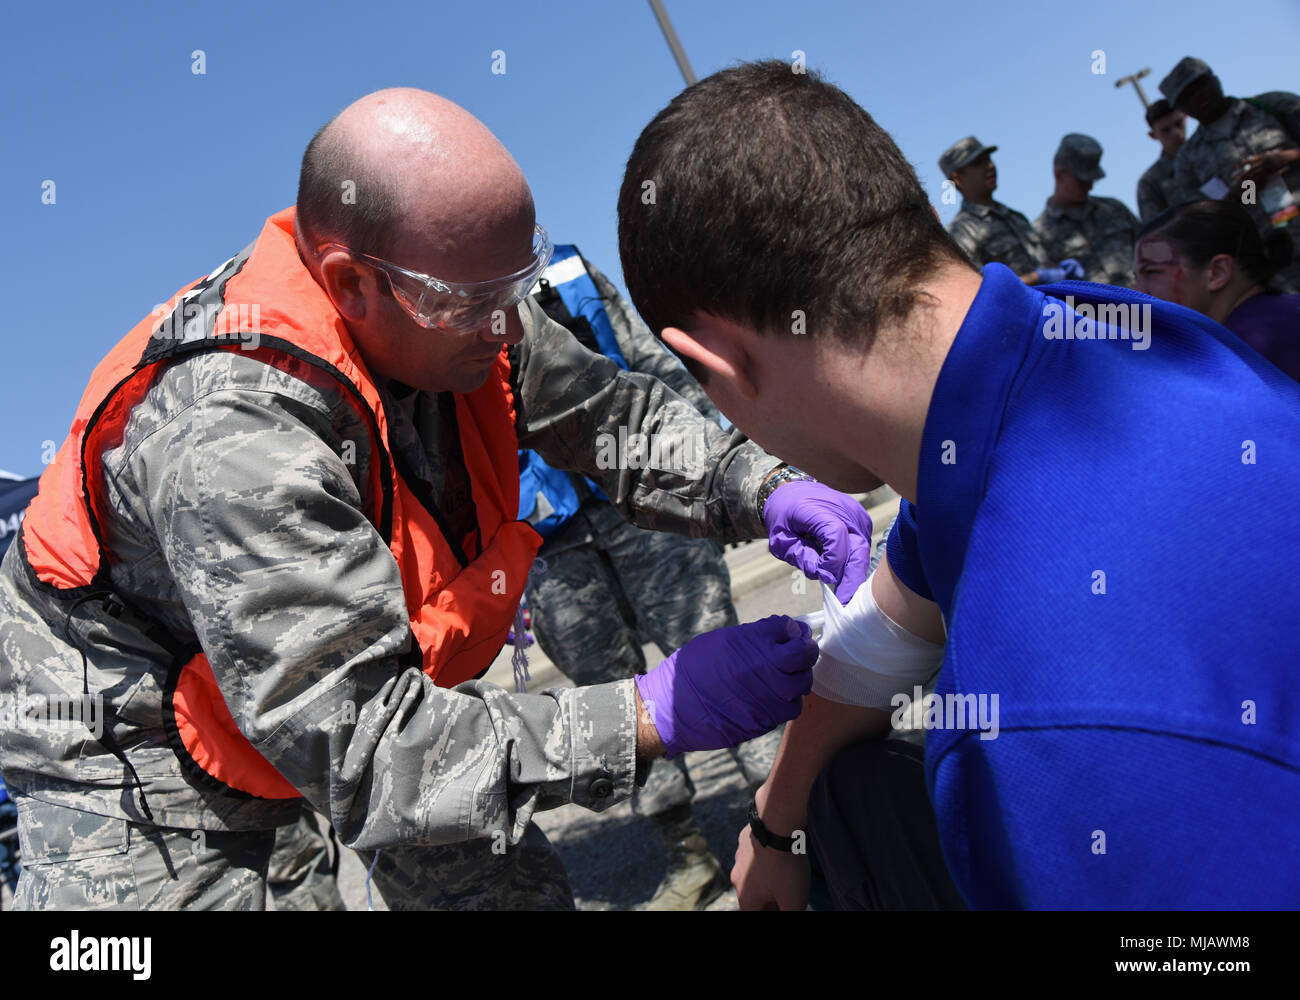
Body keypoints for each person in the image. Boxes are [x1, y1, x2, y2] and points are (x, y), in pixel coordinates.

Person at [0, 87, 874, 911]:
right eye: (477, 303)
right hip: (131, 730)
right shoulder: (232, 441)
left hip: (349, 681)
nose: (506, 328)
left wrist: (756, 485)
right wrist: (648, 712)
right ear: (352, 284)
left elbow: (605, 415)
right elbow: (373, 750)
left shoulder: (457, 300)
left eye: (515, 290)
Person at [615, 60, 1300, 909]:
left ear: (716, 363)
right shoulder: (1092, 342)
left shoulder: (1055, 746)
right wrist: (775, 821)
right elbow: (887, 630)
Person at [519, 245, 773, 909]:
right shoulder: (430, 308)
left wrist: (709, 459)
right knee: (610, 701)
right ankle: (688, 856)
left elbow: (648, 358)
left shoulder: (569, 270)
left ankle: (791, 826)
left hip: (643, 502)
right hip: (545, 541)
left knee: (713, 654)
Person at [1161, 56, 1300, 292]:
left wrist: (1284, 158)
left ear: (1215, 80)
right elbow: (1199, 223)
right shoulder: (1188, 160)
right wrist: (1235, 195)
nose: (1198, 97)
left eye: (1201, 85)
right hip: (1271, 263)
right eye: (1187, 97)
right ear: (1182, 109)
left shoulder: (1273, 105)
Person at [1135, 199, 1300, 382]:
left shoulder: (1235, 359)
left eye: (1152, 272)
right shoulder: (1287, 311)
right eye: (1136, 279)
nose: (1137, 292)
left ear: (1217, 272)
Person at [939, 137, 1078, 284]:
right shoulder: (962, 231)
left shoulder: (1015, 217)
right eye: (978, 163)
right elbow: (976, 291)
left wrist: (1061, 271)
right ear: (958, 179)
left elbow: (1040, 261)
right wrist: (1036, 278)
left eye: (989, 159)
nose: (990, 166)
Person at [1033, 133, 1141, 287]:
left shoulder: (1115, 210)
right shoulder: (1039, 234)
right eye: (1082, 181)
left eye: (1092, 180)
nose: (1090, 186)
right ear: (1059, 175)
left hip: (1143, 306)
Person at [1136, 99, 1188, 222]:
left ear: (1186, 117)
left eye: (1178, 123)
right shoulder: (1150, 182)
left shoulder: (1213, 149)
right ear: (1153, 135)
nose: (1176, 133)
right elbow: (1156, 229)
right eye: (1166, 130)